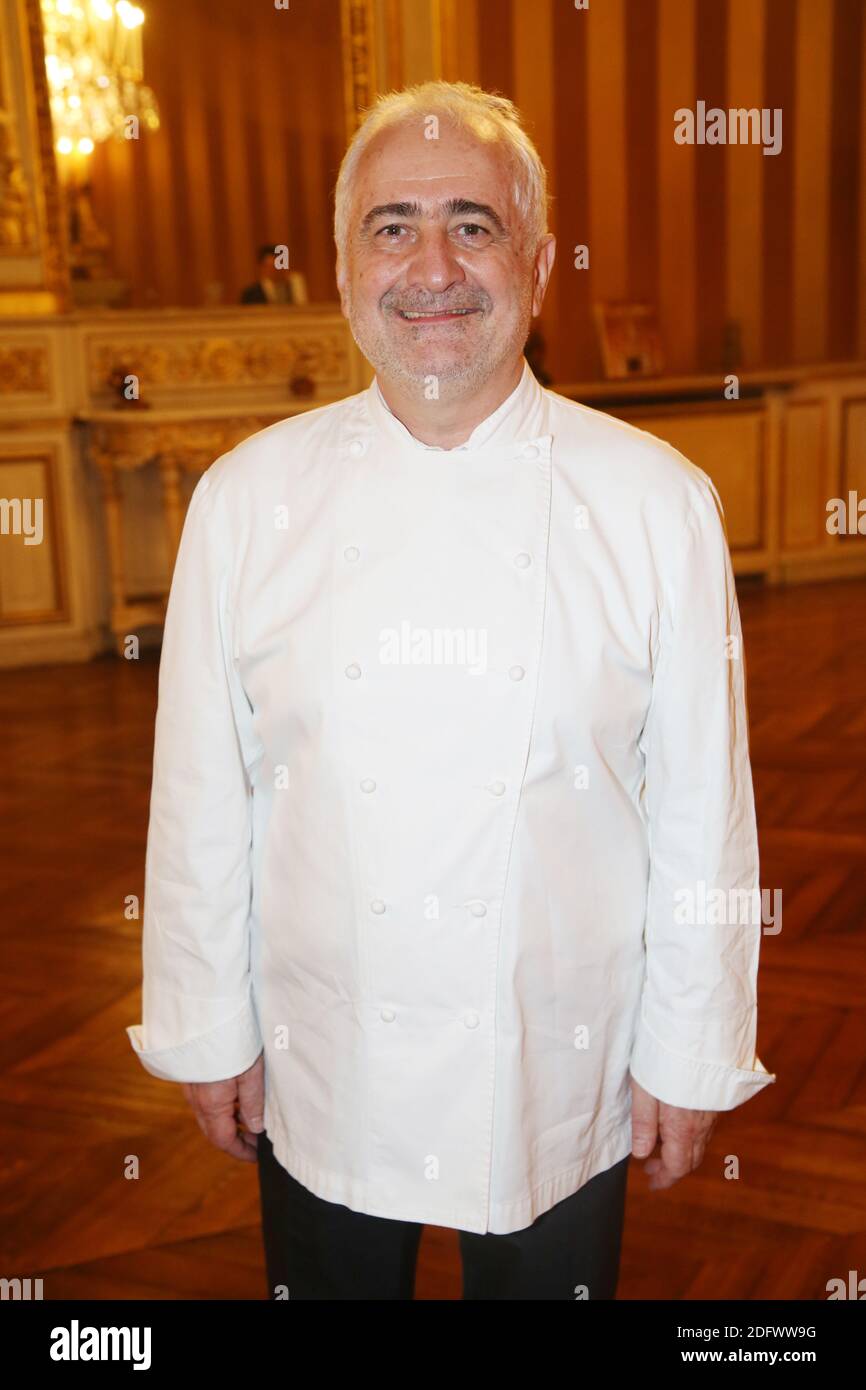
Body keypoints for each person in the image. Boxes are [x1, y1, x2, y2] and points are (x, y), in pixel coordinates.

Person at [127, 80, 776, 1301]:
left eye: (471, 224)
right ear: (339, 270)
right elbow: (201, 799)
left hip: (556, 1059)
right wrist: (205, 1023)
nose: (432, 265)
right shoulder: (244, 499)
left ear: (535, 260)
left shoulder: (654, 501)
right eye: (392, 226)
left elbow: (702, 810)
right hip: (322, 1058)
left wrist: (687, 1052)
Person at [240, 244, 307, 304]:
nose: (276, 270)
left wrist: (295, 285)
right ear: (262, 268)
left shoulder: (293, 285)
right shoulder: (251, 294)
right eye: (271, 267)